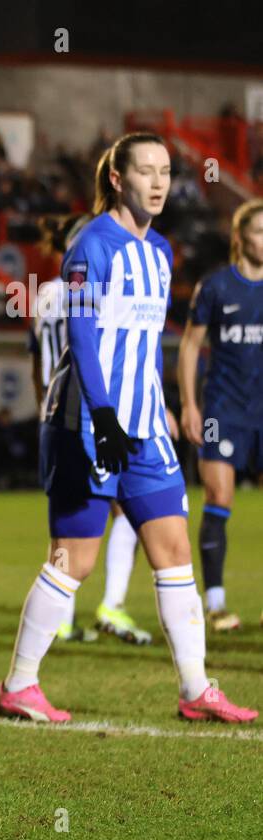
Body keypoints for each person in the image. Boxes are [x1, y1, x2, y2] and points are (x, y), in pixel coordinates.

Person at [0, 132, 256, 724]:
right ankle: (19, 684)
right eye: (147, 171)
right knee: (74, 561)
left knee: (172, 552)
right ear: (118, 179)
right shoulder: (92, 245)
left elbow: (141, 342)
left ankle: (196, 688)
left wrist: (156, 406)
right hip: (85, 425)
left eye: (167, 171)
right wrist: (105, 413)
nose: (160, 182)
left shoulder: (162, 250)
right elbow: (85, 335)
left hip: (144, 429)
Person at [30, 212, 154, 645]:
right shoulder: (85, 286)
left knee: (70, 527)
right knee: (112, 515)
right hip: (84, 406)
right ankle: (109, 605)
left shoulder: (44, 294)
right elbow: (88, 344)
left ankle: (68, 617)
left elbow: (36, 361)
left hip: (54, 406)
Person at [178, 197, 263, 632]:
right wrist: (191, 405)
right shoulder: (215, 287)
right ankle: (215, 604)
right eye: (259, 232)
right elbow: (190, 347)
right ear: (239, 237)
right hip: (221, 410)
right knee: (218, 497)